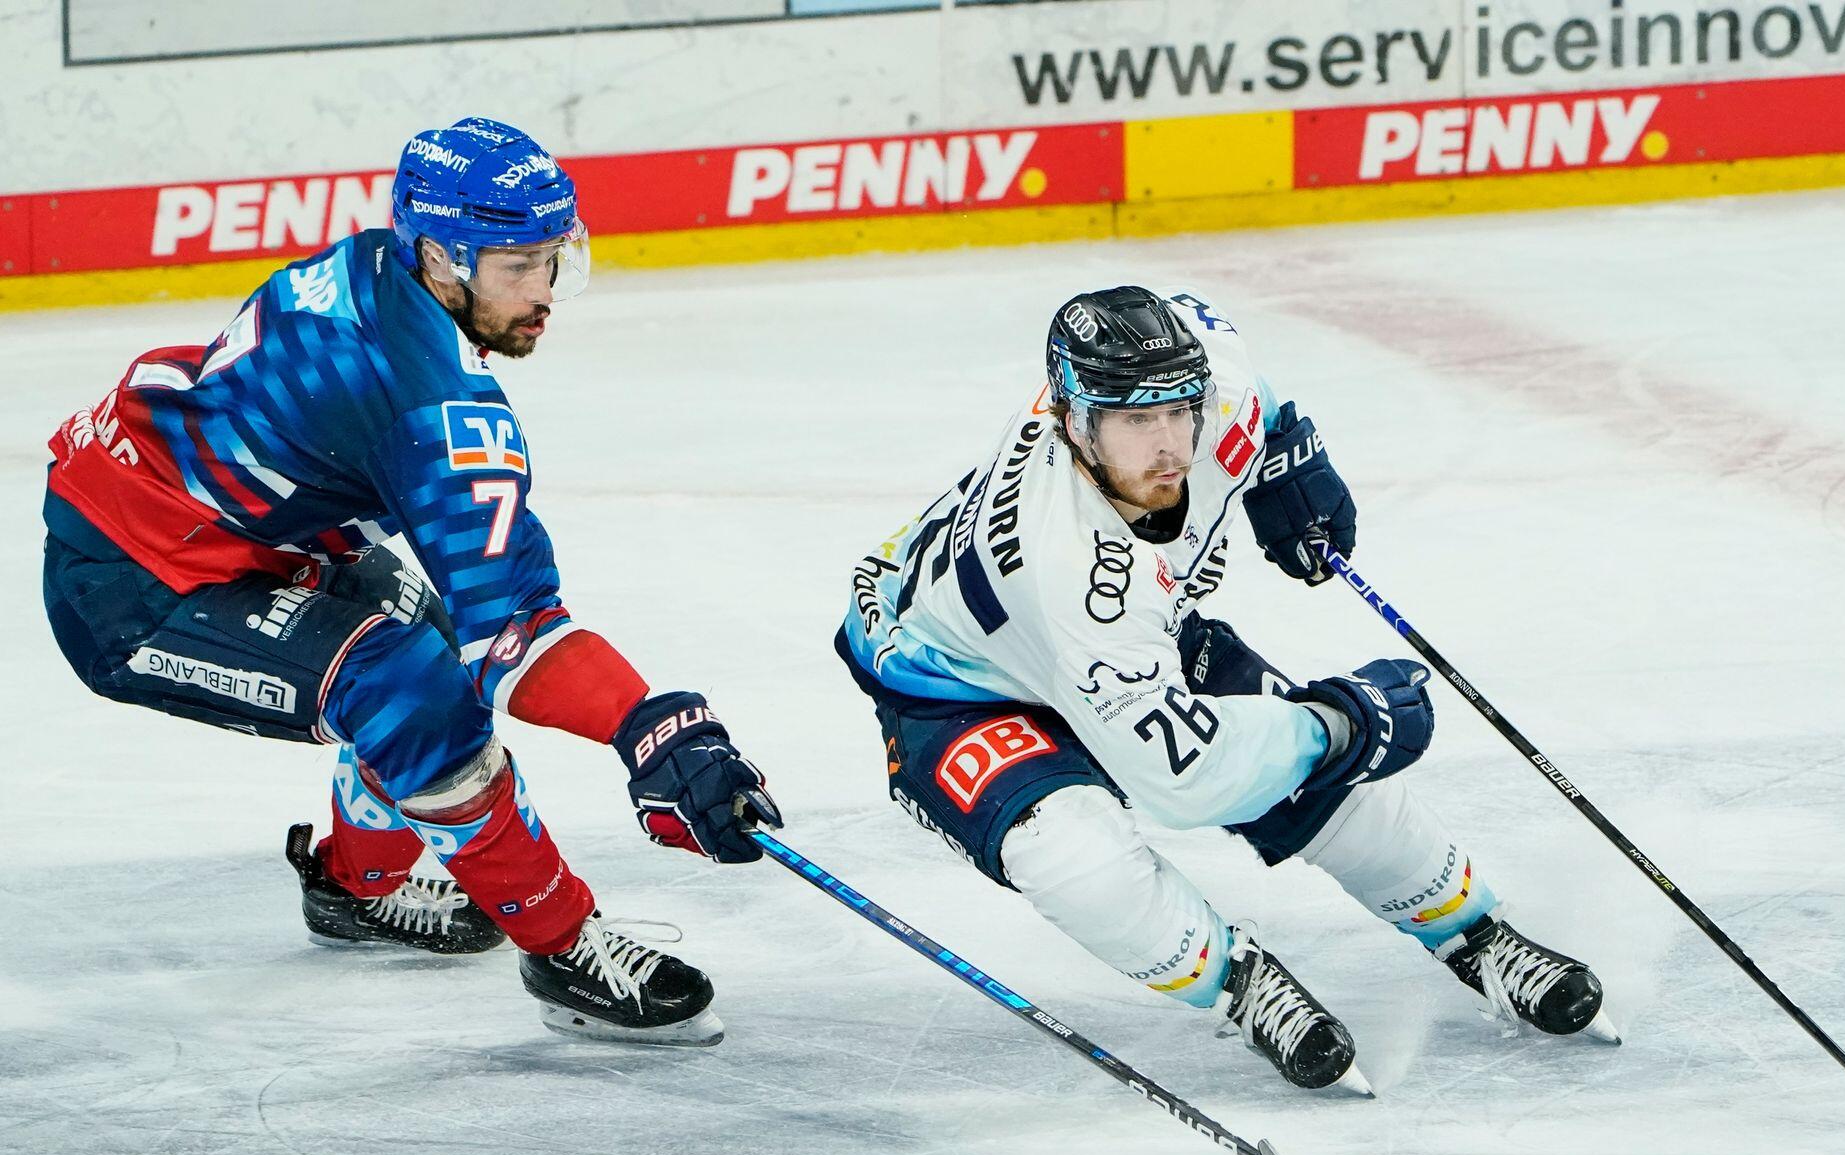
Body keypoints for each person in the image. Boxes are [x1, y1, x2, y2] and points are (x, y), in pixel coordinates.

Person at [40, 117, 778, 1045]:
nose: (547, 292)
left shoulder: (379, 266)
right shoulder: (433, 408)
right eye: (519, 265)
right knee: (416, 692)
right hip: (131, 580)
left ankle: (359, 886)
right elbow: (516, 638)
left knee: (418, 634)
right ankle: (561, 941)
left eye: (556, 257)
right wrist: (649, 728)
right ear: (440, 255)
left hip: (200, 516)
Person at [836, 284, 1614, 1094]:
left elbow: (1232, 362)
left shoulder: (1211, 387)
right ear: (1073, 421)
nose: (1170, 443)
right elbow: (1187, 777)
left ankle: (1477, 937)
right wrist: (1340, 724)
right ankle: (1243, 985)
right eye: (1136, 422)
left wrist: (1288, 458)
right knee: (1075, 856)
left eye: (1178, 411)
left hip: (1129, 634)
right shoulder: (1072, 571)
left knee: (1314, 781)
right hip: (956, 684)